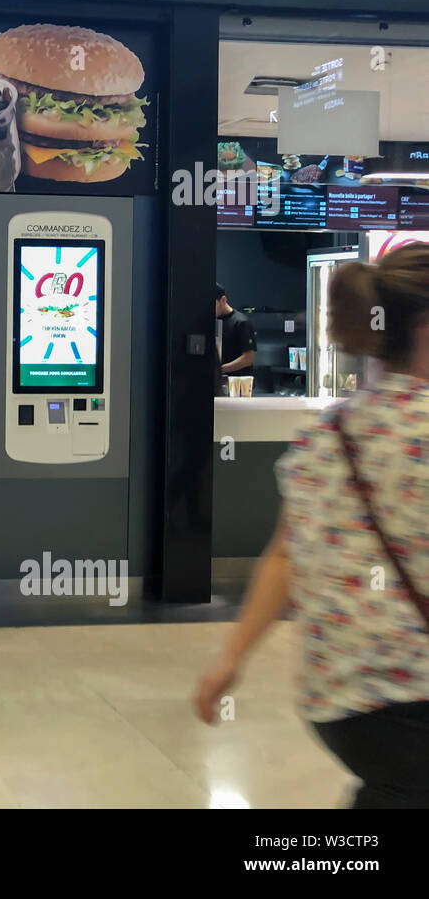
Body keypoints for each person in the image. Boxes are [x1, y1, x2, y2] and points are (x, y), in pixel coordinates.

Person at [194, 245, 429, 808]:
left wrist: (231, 657)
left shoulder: (327, 435)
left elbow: (284, 556)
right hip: (415, 689)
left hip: (339, 701)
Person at [215, 282, 256, 381]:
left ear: (223, 300)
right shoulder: (212, 322)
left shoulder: (241, 322)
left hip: (239, 383)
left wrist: (219, 370)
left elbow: (248, 359)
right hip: (219, 381)